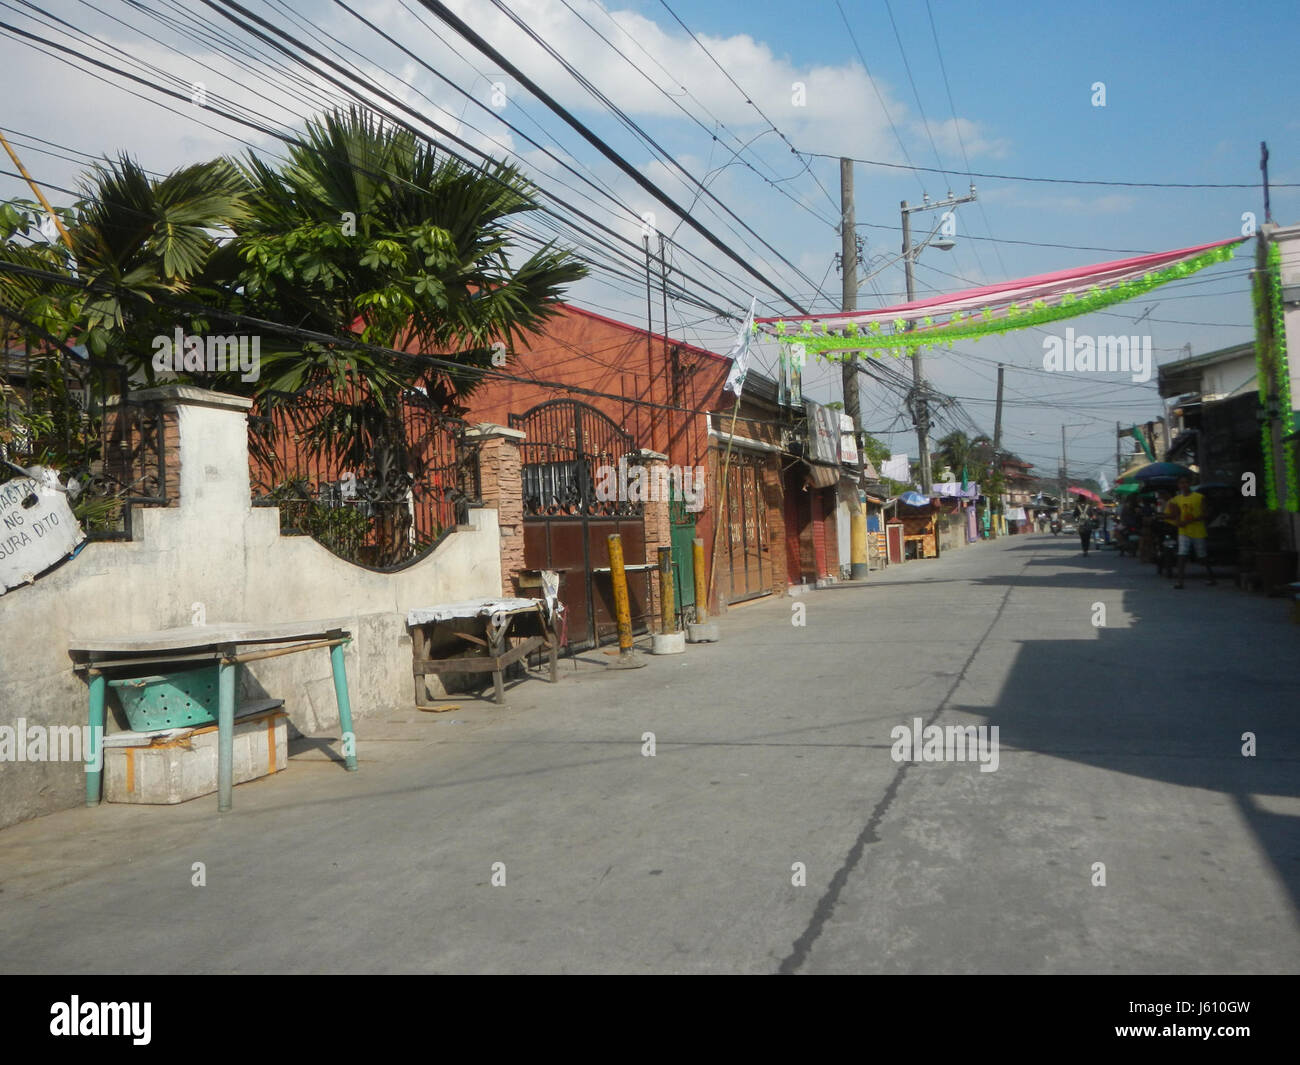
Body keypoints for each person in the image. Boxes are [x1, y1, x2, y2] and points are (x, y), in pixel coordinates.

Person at [1166, 477, 1216, 589]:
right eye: (1181, 483)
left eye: (1185, 483)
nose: (1183, 485)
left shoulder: (1199, 498)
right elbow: (1175, 513)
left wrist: (1190, 521)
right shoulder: (1176, 499)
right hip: (1183, 531)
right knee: (1182, 555)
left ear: (1190, 484)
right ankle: (1180, 582)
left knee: (1202, 556)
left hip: (1198, 530)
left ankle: (1211, 577)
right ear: (1178, 485)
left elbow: (1205, 514)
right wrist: (1178, 522)